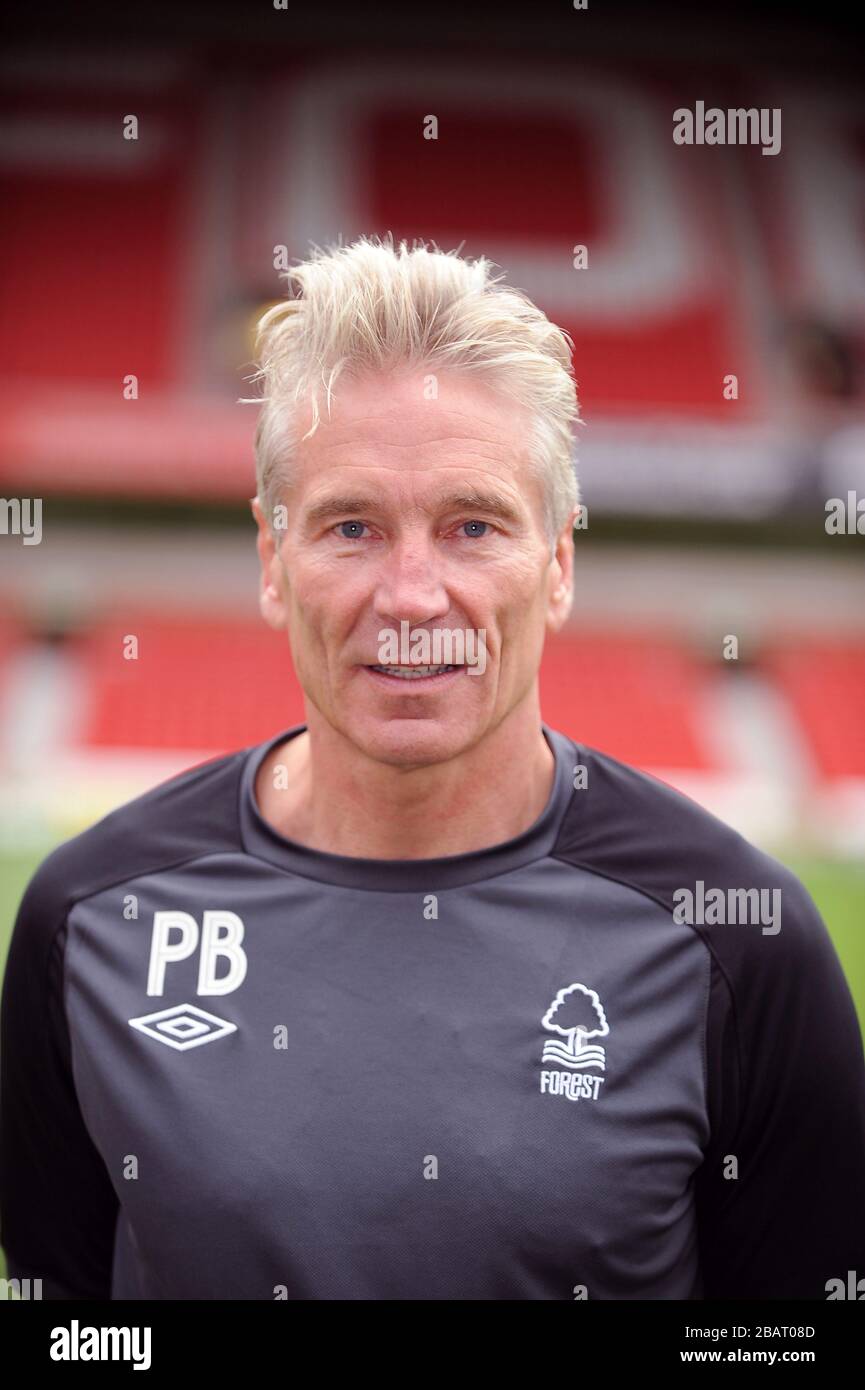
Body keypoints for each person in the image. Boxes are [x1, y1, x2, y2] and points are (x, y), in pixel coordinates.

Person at [1, 235, 863, 1299]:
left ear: (556, 566)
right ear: (275, 563)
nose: (411, 596)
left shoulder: (740, 938)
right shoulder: (87, 918)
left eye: (473, 526)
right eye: (352, 526)